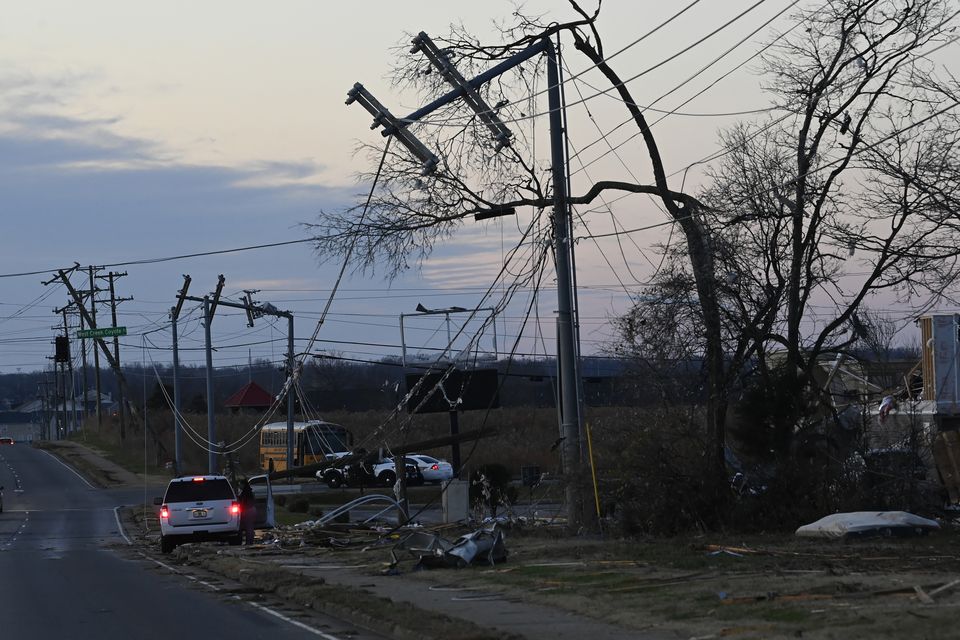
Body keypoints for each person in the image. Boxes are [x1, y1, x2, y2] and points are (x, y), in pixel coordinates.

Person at [238, 479, 257, 545]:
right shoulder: (249, 491)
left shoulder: (245, 492)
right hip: (252, 510)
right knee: (250, 527)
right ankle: (250, 542)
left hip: (248, 510)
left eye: (240, 484)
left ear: (243, 484)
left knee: (248, 528)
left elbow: (243, 503)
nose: (239, 485)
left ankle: (249, 543)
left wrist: (241, 510)